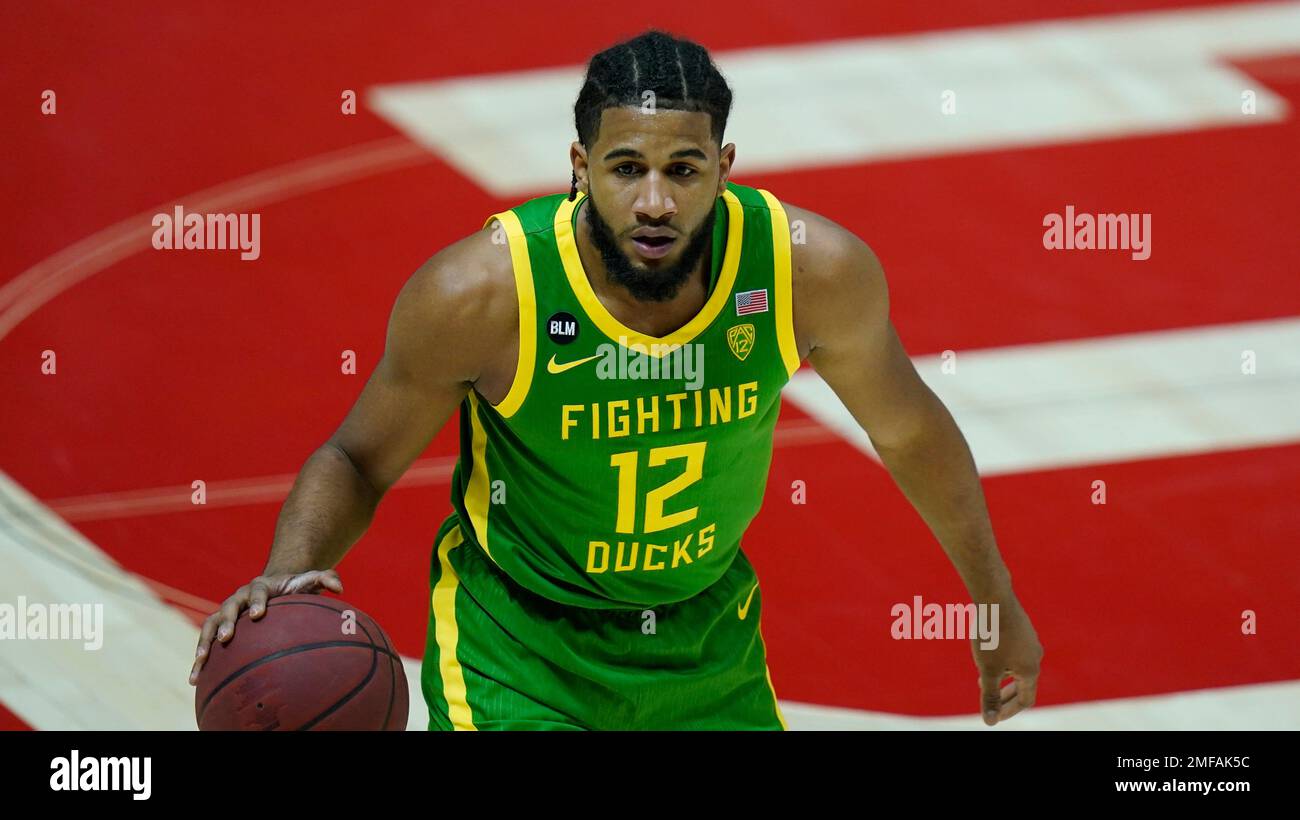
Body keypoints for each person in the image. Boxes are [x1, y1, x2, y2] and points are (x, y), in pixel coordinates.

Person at [189, 28, 1042, 730]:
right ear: (580, 164)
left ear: (726, 166)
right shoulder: (484, 294)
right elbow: (358, 458)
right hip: (520, 647)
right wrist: (287, 573)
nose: (655, 203)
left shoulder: (807, 272)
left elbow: (908, 431)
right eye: (627, 168)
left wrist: (993, 598)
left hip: (706, 636)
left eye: (684, 170)